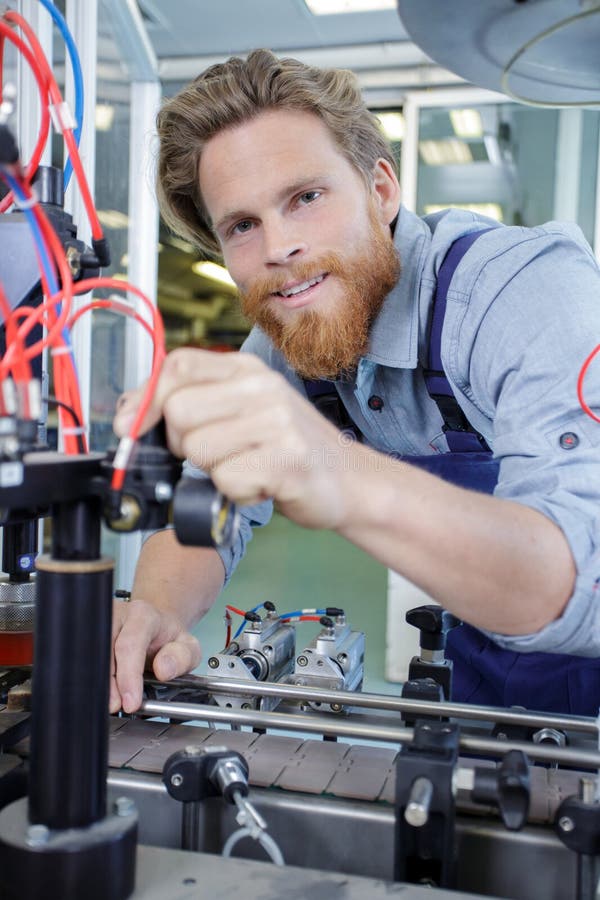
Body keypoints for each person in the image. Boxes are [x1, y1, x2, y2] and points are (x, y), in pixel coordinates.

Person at [110, 49, 600, 718]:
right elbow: (208, 508)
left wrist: (334, 471)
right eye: (243, 226)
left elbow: (584, 573)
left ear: (382, 191)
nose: (279, 247)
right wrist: (156, 610)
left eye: (306, 198)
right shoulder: (288, 335)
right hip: (488, 658)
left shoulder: (519, 292)